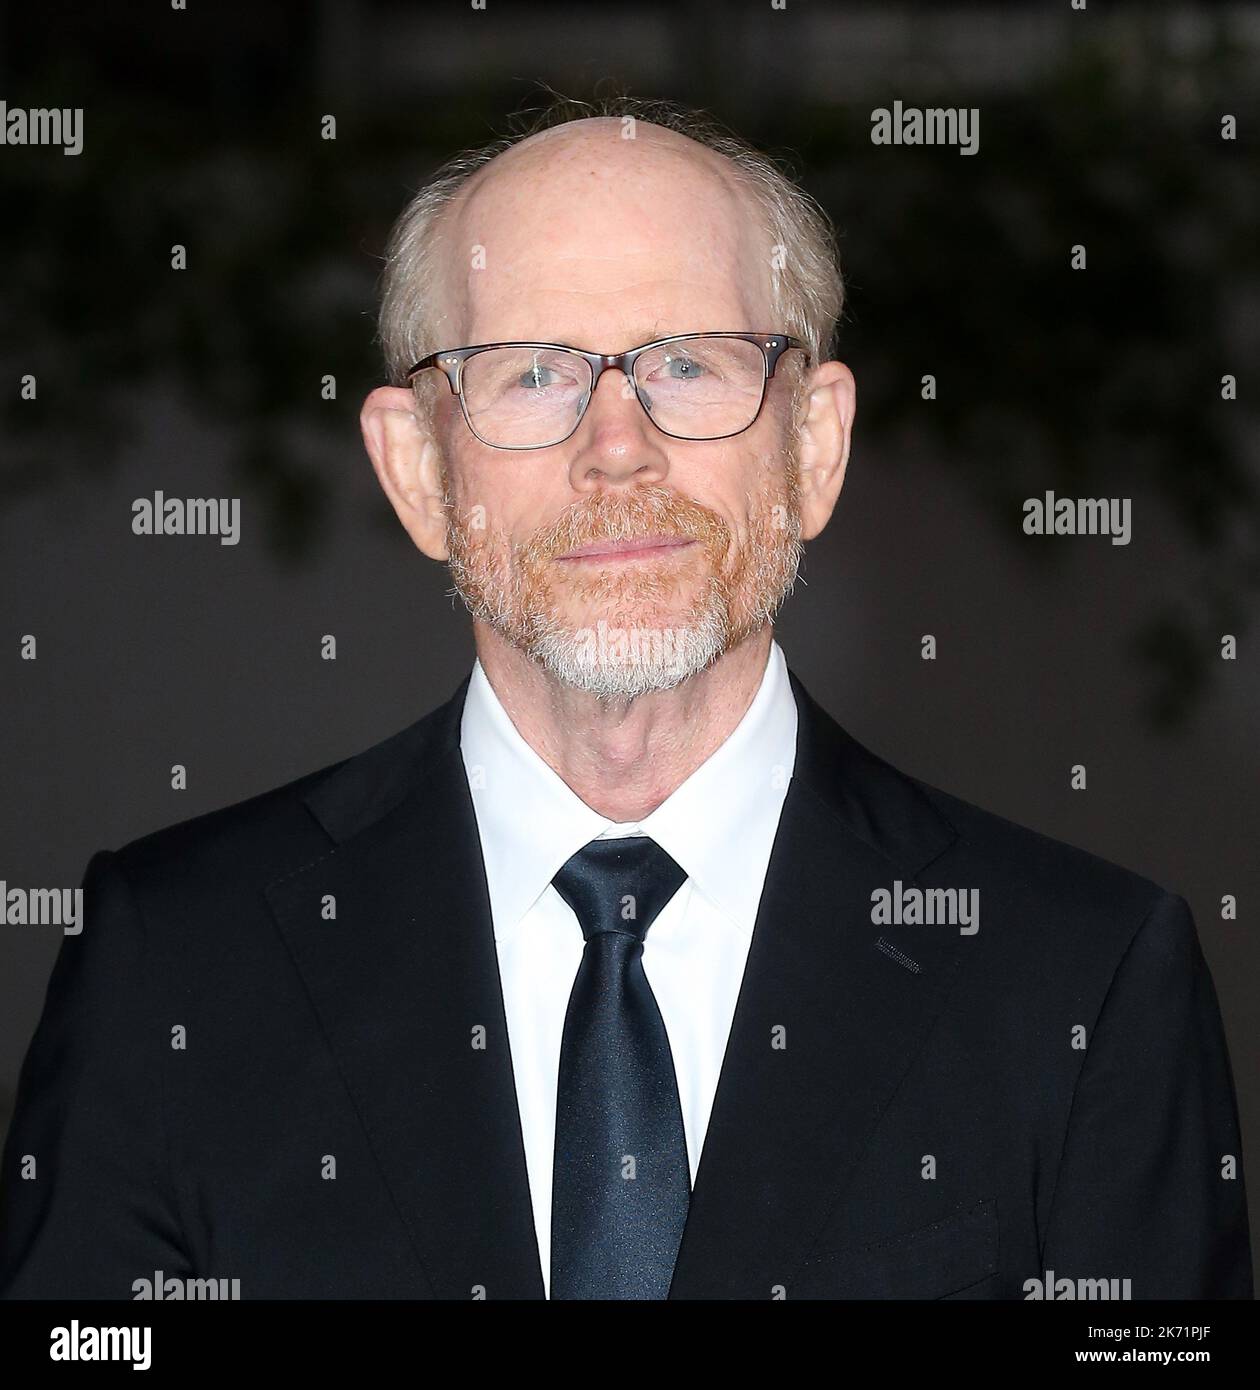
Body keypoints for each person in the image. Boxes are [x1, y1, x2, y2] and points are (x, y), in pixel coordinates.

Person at [0, 97, 1250, 1300]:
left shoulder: (1081, 981)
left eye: (689, 365)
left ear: (812, 449)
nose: (617, 445)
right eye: (533, 373)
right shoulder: (169, 969)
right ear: (419, 469)